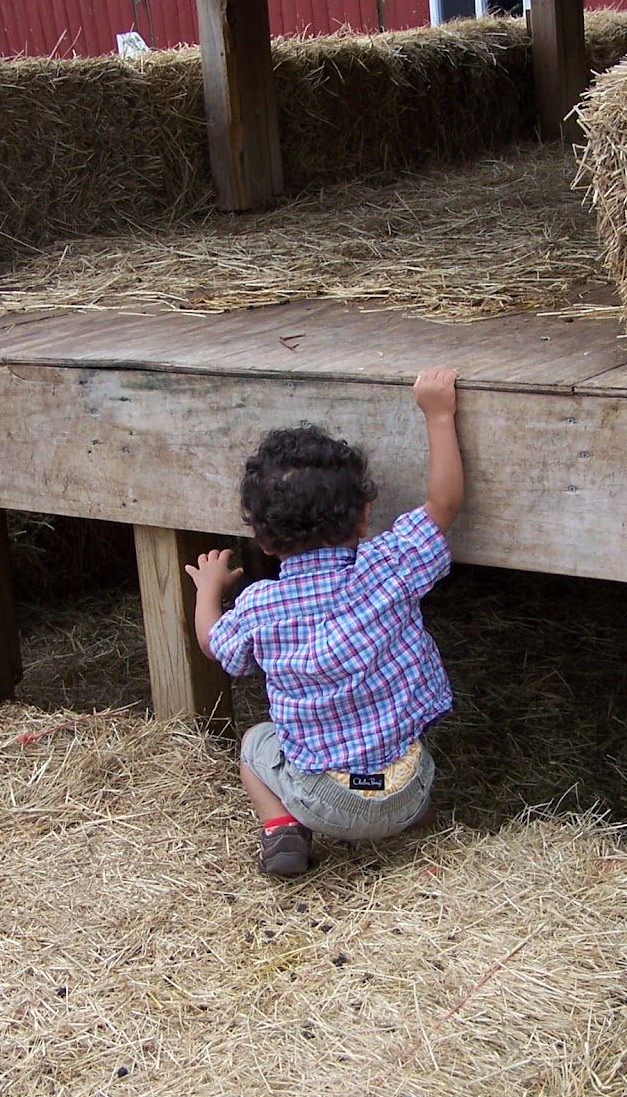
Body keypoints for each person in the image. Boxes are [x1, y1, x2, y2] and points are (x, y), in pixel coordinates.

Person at [184, 367, 464, 876]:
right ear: (363, 517)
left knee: (255, 745)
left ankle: (282, 830)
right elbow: (444, 504)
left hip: (325, 801)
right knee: (397, 741)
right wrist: (438, 414)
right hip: (409, 787)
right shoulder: (390, 566)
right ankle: (417, 821)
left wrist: (208, 590)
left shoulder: (259, 607)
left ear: (263, 542)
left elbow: (212, 644)